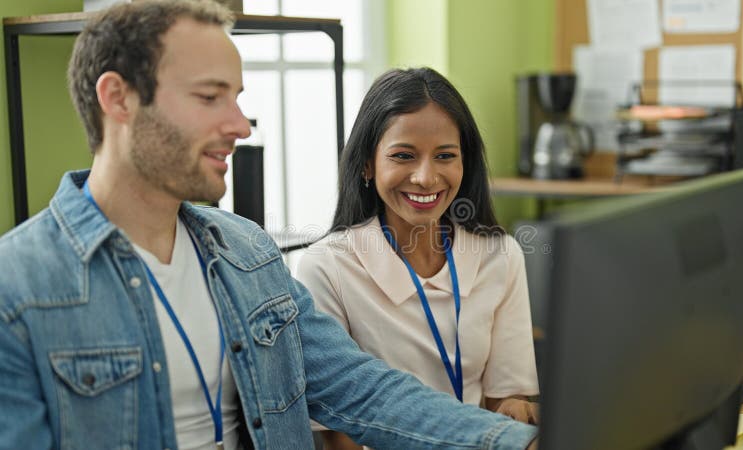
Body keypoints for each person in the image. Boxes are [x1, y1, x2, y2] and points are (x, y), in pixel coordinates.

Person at [0, 1, 539, 449]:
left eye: (237, 99)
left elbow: (363, 391)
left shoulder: (248, 253)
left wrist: (511, 440)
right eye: (210, 96)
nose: (239, 125)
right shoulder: (17, 288)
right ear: (118, 99)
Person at [296, 68, 540, 450]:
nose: (426, 178)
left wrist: (513, 407)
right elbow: (334, 432)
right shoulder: (327, 267)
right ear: (367, 165)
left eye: (445, 156)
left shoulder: (500, 255)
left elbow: (503, 403)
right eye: (403, 156)